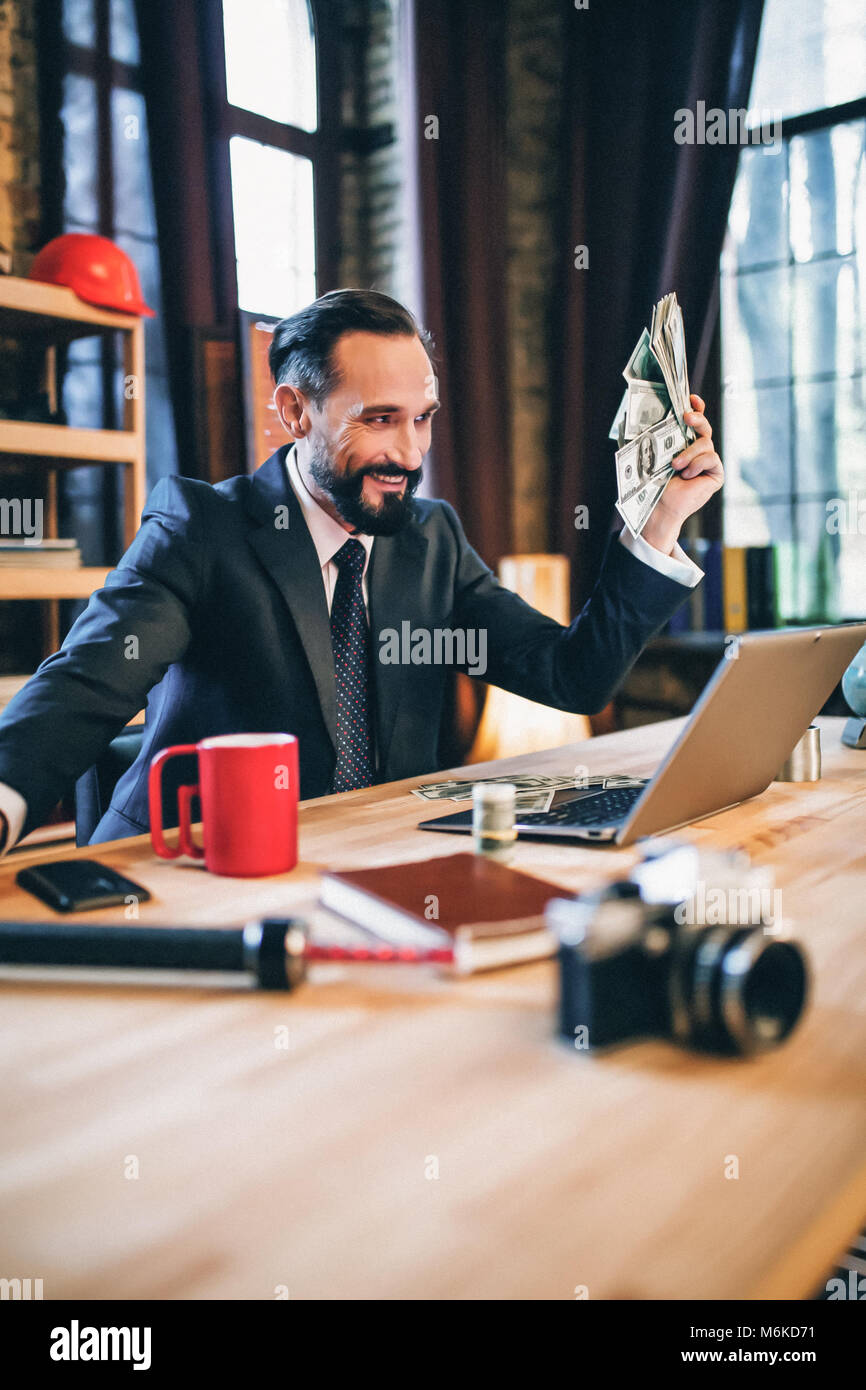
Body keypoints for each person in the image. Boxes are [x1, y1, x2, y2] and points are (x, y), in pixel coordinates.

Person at [0, 289, 723, 850]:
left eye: (424, 418)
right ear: (295, 410)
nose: (411, 454)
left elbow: (571, 675)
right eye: (380, 420)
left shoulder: (430, 537)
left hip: (370, 867)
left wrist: (660, 520)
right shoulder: (201, 530)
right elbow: (86, 684)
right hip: (192, 874)